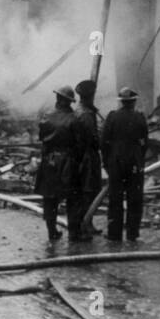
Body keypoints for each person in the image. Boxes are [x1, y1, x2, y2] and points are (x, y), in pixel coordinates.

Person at [101, 87, 149, 243]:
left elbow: (104, 142)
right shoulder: (140, 118)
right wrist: (139, 159)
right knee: (134, 199)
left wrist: (107, 162)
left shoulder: (112, 117)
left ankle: (114, 234)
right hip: (135, 163)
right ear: (134, 102)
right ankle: (132, 233)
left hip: (116, 163)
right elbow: (144, 143)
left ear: (121, 102)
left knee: (115, 198)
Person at [34, 85, 80, 244]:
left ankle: (52, 231)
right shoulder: (74, 119)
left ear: (58, 99)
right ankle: (74, 233)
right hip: (68, 161)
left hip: (50, 160)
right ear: (69, 102)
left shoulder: (46, 117)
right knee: (72, 198)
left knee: (49, 199)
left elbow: (42, 138)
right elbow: (79, 143)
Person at [71, 79, 102, 242]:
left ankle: (87, 223)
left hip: (82, 156)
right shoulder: (86, 115)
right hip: (88, 157)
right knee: (89, 191)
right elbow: (92, 139)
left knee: (87, 191)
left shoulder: (79, 111)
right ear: (91, 95)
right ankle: (85, 224)